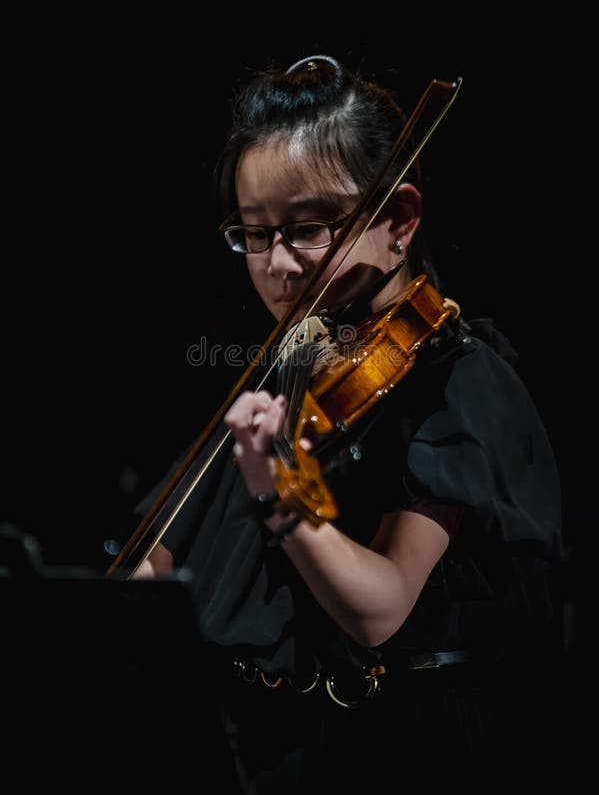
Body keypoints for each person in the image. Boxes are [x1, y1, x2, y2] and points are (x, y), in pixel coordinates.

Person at [136, 55, 563, 791]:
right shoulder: (285, 367)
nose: (276, 264)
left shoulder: (452, 382)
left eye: (306, 229)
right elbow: (167, 561)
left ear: (396, 220)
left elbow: (378, 609)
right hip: (248, 745)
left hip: (378, 752)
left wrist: (280, 497)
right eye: (253, 233)